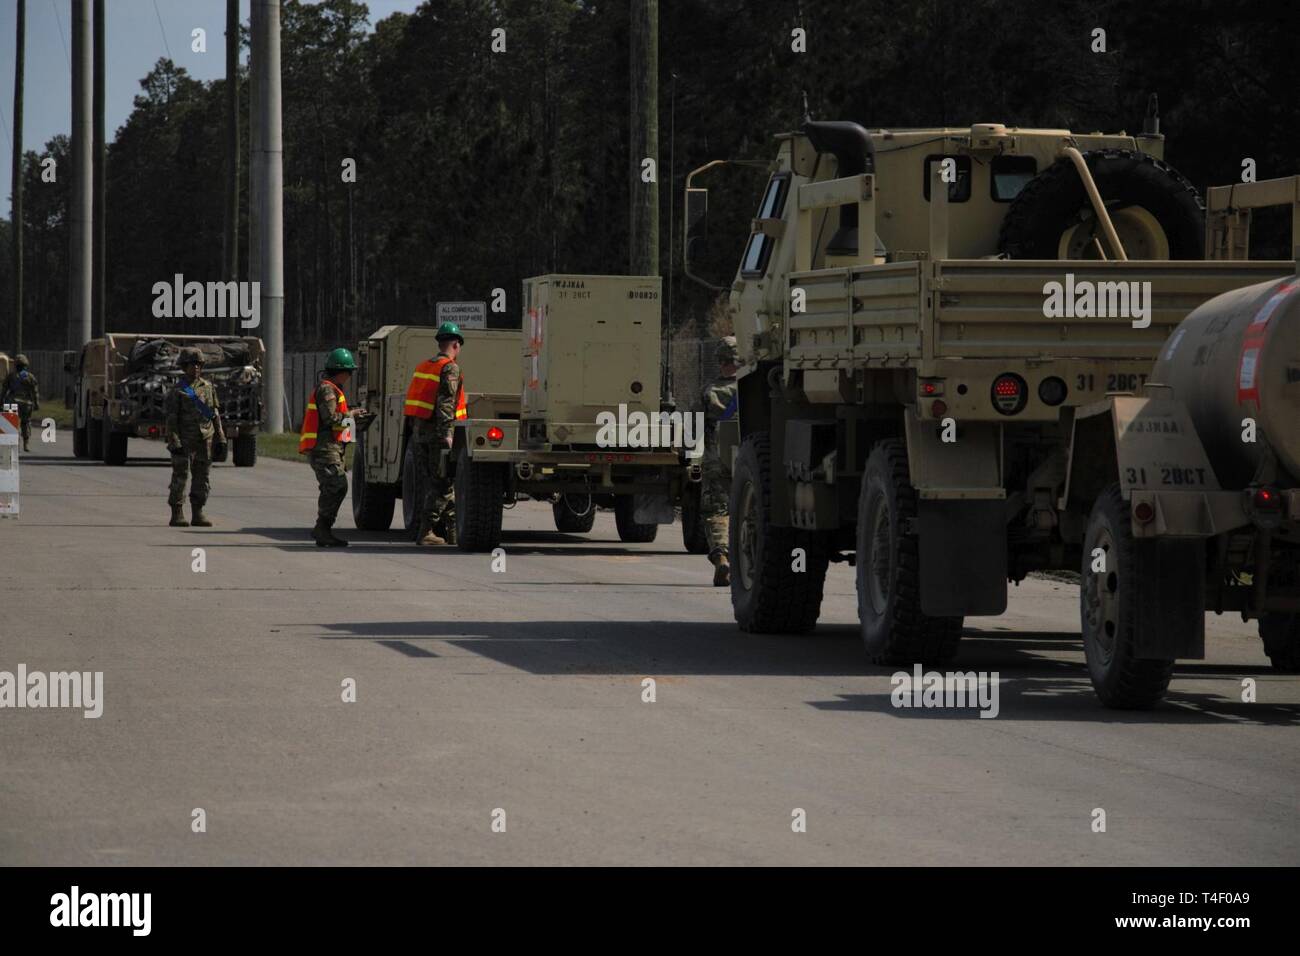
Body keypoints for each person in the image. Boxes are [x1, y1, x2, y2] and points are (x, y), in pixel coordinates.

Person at [299, 348, 371, 547]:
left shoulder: (333, 389)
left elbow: (338, 423)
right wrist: (353, 415)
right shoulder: (328, 389)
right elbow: (331, 419)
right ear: (341, 371)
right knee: (336, 485)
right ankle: (322, 528)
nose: (350, 376)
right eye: (349, 371)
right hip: (323, 448)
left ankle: (323, 528)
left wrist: (356, 423)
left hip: (331, 447)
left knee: (335, 486)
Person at [403, 322, 467, 547]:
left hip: (420, 433)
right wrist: (448, 434)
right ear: (456, 344)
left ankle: (452, 533)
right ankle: (425, 531)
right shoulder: (449, 368)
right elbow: (446, 404)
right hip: (438, 435)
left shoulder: (423, 366)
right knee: (440, 483)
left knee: (442, 483)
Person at [165, 347, 226, 528]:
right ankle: (177, 513)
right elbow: (171, 418)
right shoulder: (177, 390)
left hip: (204, 438)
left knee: (202, 476)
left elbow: (214, 413)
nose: (197, 368)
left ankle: (198, 512)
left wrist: (220, 435)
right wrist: (173, 439)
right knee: (180, 476)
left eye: (199, 365)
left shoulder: (208, 387)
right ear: (184, 367)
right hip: (184, 439)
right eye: (193, 365)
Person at [702, 335, 740, 586]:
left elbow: (698, 427)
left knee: (717, 509)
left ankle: (722, 557)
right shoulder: (754, 387)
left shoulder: (711, 391)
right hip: (750, 458)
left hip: (717, 456)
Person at [1, 354, 40, 453]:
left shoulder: (10, 376)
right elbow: (35, 392)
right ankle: (26, 444)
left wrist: (1, 401)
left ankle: (14, 445)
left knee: (11, 425)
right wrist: (36, 403)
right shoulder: (30, 377)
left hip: (11, 402)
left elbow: (4, 390)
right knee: (25, 423)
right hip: (26, 404)